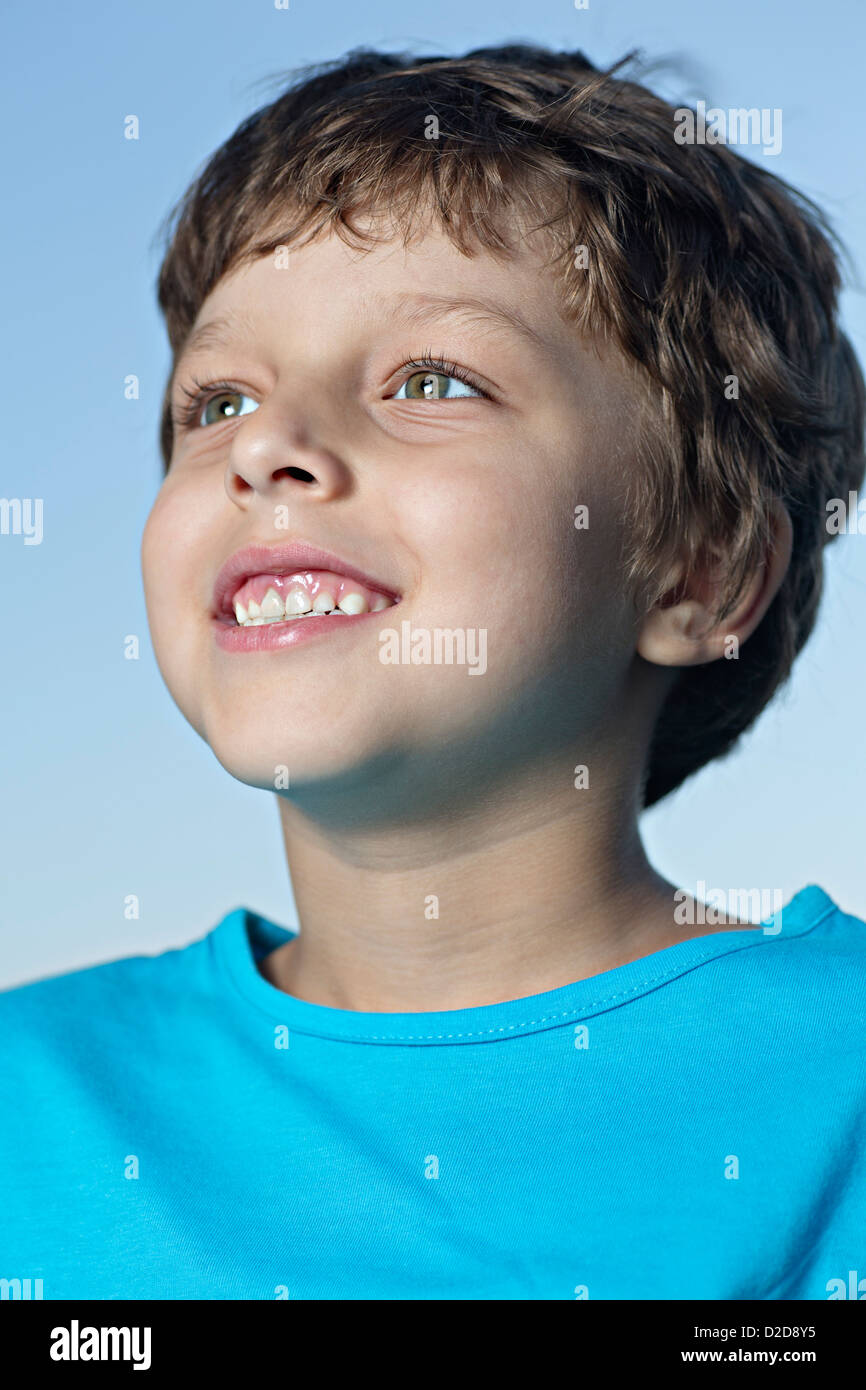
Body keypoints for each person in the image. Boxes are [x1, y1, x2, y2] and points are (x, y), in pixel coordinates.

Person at [2, 44, 864, 1301]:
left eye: (430, 381)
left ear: (696, 571)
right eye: (218, 401)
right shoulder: (28, 1092)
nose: (270, 448)